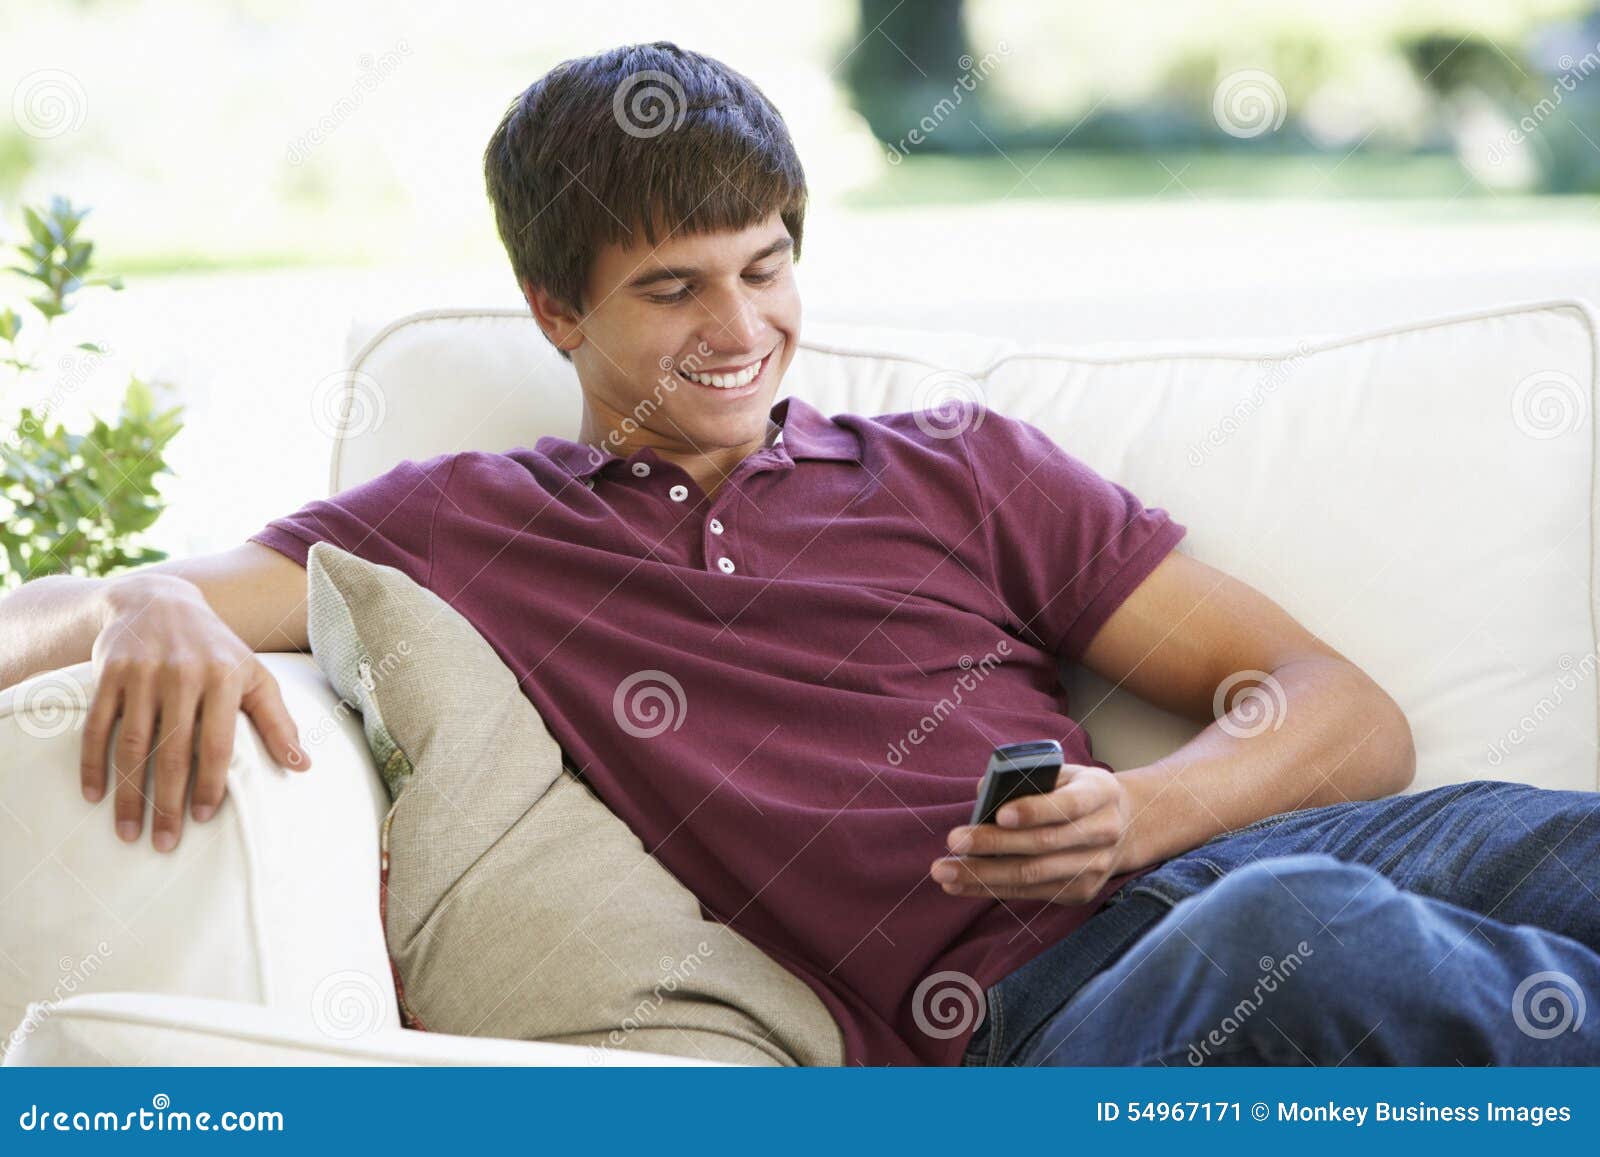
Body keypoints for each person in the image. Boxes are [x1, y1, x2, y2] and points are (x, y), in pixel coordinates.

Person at [1, 42, 1595, 1067]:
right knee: (1294, 937)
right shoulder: (468, 523)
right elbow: (45, 611)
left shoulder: (961, 465)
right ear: (557, 312)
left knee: (1541, 853)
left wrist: (1140, 815)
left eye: (765, 269)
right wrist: (151, 596)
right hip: (1038, 1025)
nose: (742, 329)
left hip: (1198, 867)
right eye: (674, 289)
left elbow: (1341, 708)